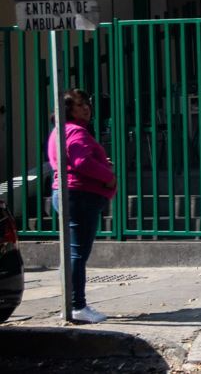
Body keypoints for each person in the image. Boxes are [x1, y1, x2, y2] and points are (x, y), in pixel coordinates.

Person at [48, 89, 117, 324]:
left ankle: (69, 303)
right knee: (77, 253)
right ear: (68, 110)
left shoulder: (60, 131)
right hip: (80, 196)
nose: (86, 108)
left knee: (71, 253)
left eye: (87, 103)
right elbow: (81, 161)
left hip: (66, 194)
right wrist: (107, 176)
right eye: (79, 105)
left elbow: (70, 160)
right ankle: (77, 306)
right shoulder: (76, 131)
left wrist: (99, 163)